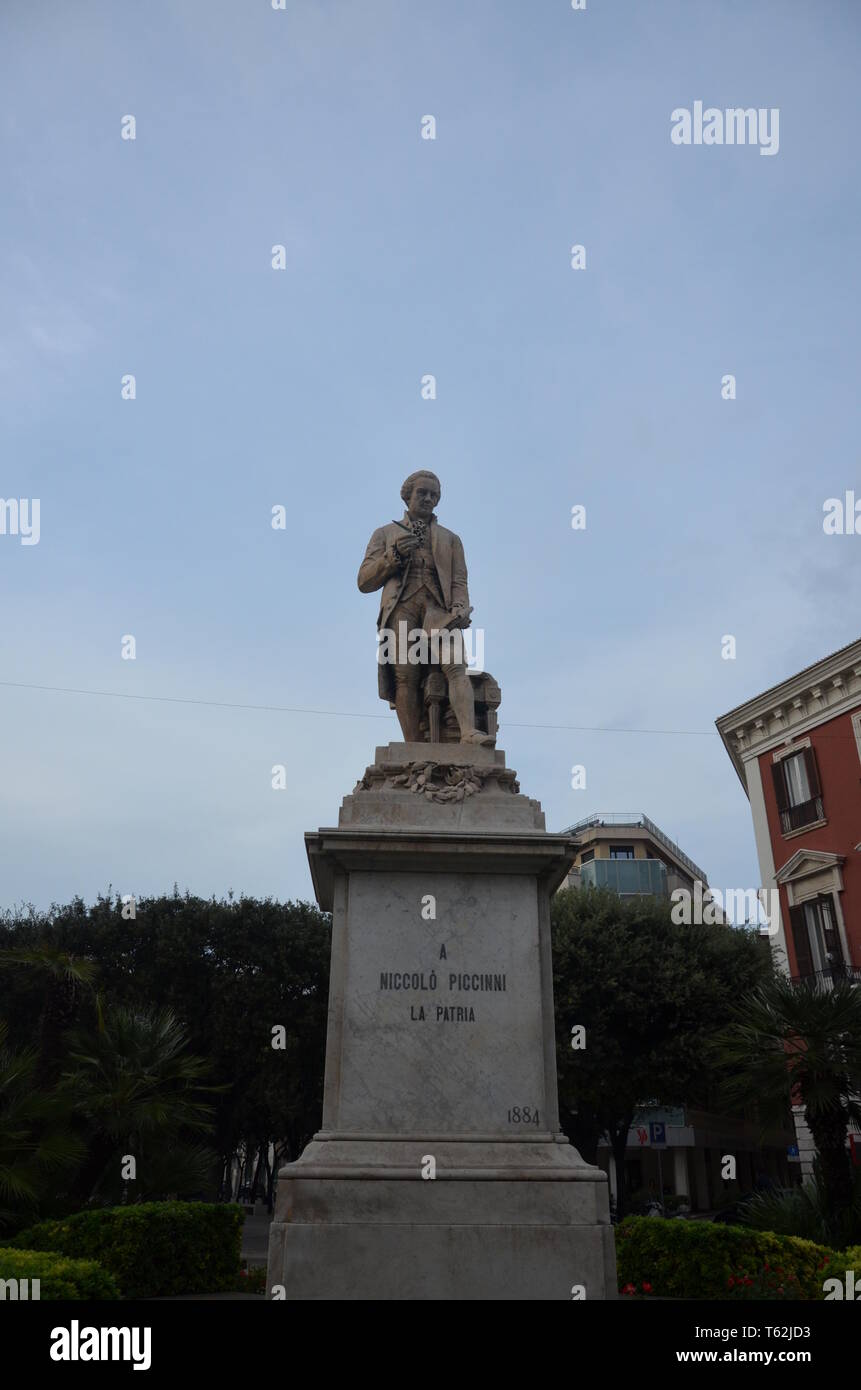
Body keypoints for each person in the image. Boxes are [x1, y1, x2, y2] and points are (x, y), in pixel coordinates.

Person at [358, 471, 493, 745]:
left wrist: (460, 607)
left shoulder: (451, 539)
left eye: (434, 494)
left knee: (456, 665)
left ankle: (468, 732)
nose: (429, 498)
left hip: (439, 611)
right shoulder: (385, 533)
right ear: (407, 495)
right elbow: (364, 580)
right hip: (401, 608)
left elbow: (459, 581)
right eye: (423, 493)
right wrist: (393, 557)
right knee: (405, 677)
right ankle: (413, 746)